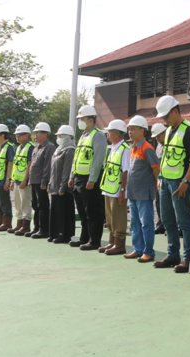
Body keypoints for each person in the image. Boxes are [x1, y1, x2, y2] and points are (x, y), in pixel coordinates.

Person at [154, 95, 190, 272]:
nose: (164, 120)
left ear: (175, 111)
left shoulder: (189, 131)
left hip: (179, 183)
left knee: (184, 221)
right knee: (167, 219)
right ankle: (173, 254)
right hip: (166, 182)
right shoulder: (168, 131)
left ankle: (188, 258)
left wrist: (185, 181)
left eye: (166, 116)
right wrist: (160, 178)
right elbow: (165, 157)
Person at [68, 105, 107, 251]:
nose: (79, 122)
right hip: (79, 177)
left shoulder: (98, 135)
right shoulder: (84, 136)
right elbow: (76, 158)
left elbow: (97, 159)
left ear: (91, 120)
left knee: (93, 211)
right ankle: (84, 238)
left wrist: (92, 178)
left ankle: (94, 240)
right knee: (83, 211)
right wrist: (72, 175)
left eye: (82, 119)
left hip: (90, 180)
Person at [124, 115, 160, 262]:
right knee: (135, 223)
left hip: (144, 193)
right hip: (133, 193)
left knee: (146, 223)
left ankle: (148, 251)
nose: (130, 132)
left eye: (133, 129)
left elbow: (156, 169)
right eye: (129, 129)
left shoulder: (147, 148)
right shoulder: (133, 148)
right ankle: (138, 249)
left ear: (142, 131)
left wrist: (157, 186)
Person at [98, 119, 131, 256]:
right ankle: (112, 242)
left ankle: (119, 244)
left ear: (117, 134)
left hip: (117, 191)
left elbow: (125, 171)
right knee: (110, 218)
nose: (107, 134)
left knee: (118, 218)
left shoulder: (125, 150)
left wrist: (122, 190)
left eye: (109, 132)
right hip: (108, 189)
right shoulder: (113, 148)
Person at [25, 122, 55, 239]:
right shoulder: (36, 147)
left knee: (43, 205)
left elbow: (47, 166)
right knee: (35, 205)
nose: (36, 136)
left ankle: (44, 230)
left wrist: (44, 181)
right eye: (35, 133)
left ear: (46, 134)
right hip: (34, 181)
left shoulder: (49, 147)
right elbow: (33, 165)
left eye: (38, 133)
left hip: (41, 182)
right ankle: (36, 228)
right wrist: (30, 180)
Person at [48, 126, 76, 244]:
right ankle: (54, 233)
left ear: (67, 137)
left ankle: (64, 235)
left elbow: (67, 171)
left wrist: (62, 187)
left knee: (64, 213)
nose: (58, 138)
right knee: (55, 212)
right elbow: (53, 169)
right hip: (54, 187)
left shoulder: (69, 150)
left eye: (60, 136)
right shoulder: (58, 150)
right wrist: (50, 183)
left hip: (63, 189)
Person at [8, 124, 34, 236]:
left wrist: (25, 180)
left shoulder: (30, 147)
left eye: (19, 135)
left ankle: (26, 226)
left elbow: (30, 165)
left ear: (26, 135)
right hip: (17, 181)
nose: (17, 137)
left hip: (25, 182)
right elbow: (16, 166)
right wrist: (13, 180)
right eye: (16, 135)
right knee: (18, 204)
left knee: (25, 203)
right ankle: (19, 224)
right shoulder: (19, 148)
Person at [151, 122, 168, 235]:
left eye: (158, 136)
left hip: (169, 177)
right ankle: (160, 224)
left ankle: (168, 225)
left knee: (167, 204)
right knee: (158, 202)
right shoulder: (159, 145)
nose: (157, 138)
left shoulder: (169, 144)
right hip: (159, 177)